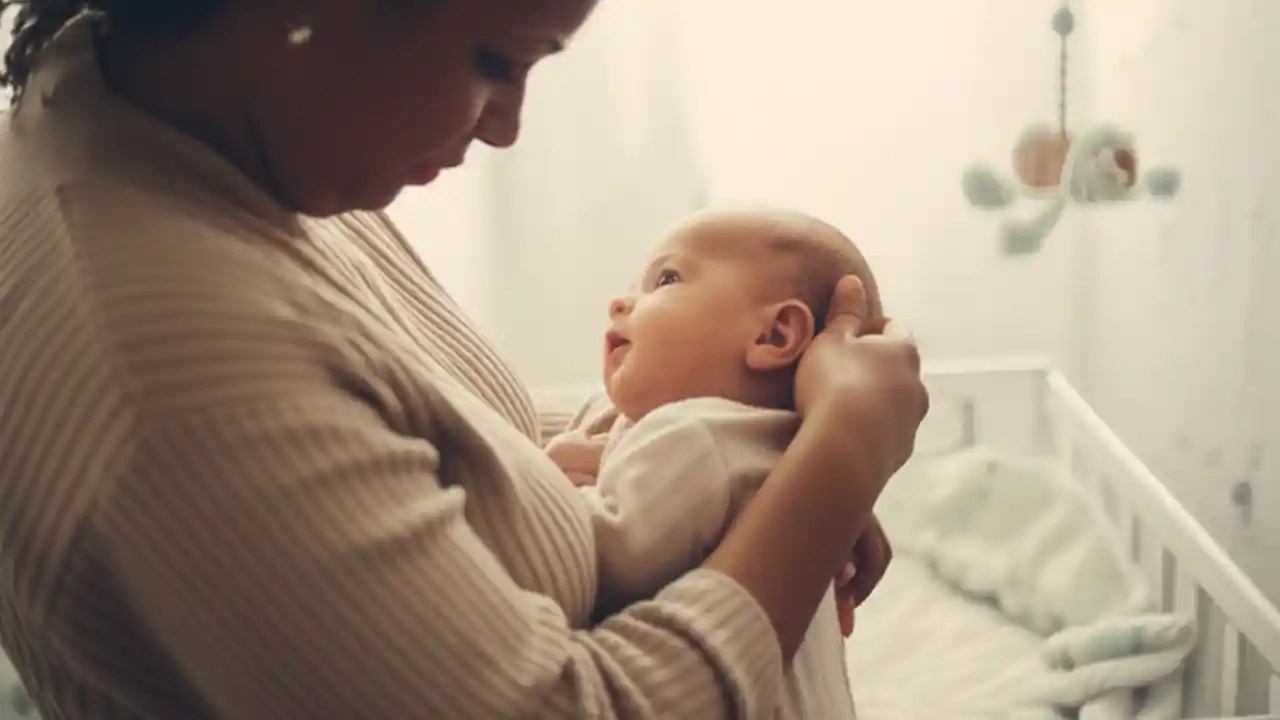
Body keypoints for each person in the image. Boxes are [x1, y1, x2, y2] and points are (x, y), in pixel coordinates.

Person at [0, 1, 929, 718]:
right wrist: (836, 464)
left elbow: (415, 424)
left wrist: (756, 454)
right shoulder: (168, 373)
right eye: (495, 60)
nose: (506, 126)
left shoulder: (204, 135)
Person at [546, 208, 886, 719]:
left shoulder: (693, 435)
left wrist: (553, 482)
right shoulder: (788, 455)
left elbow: (598, 561)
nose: (620, 303)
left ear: (774, 336)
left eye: (666, 280)